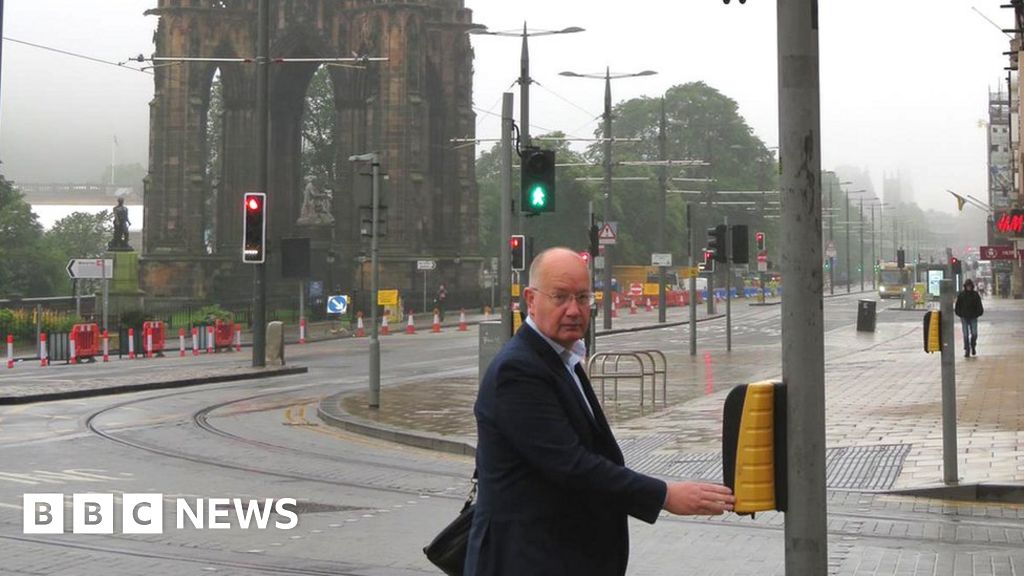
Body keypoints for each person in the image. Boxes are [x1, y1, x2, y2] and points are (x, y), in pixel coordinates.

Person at [465, 248, 734, 576]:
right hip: (528, 559)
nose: (574, 310)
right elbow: (572, 465)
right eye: (561, 297)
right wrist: (664, 495)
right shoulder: (518, 371)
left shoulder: (561, 359)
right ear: (530, 300)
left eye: (582, 297)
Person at [954, 278, 984, 358]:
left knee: (974, 333)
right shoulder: (961, 295)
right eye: (967, 286)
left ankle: (973, 345)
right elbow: (957, 306)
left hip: (973, 316)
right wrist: (959, 313)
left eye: (970, 286)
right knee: (965, 334)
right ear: (965, 286)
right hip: (964, 317)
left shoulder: (975, 295)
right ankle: (967, 349)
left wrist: (979, 312)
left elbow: (979, 305)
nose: (969, 287)